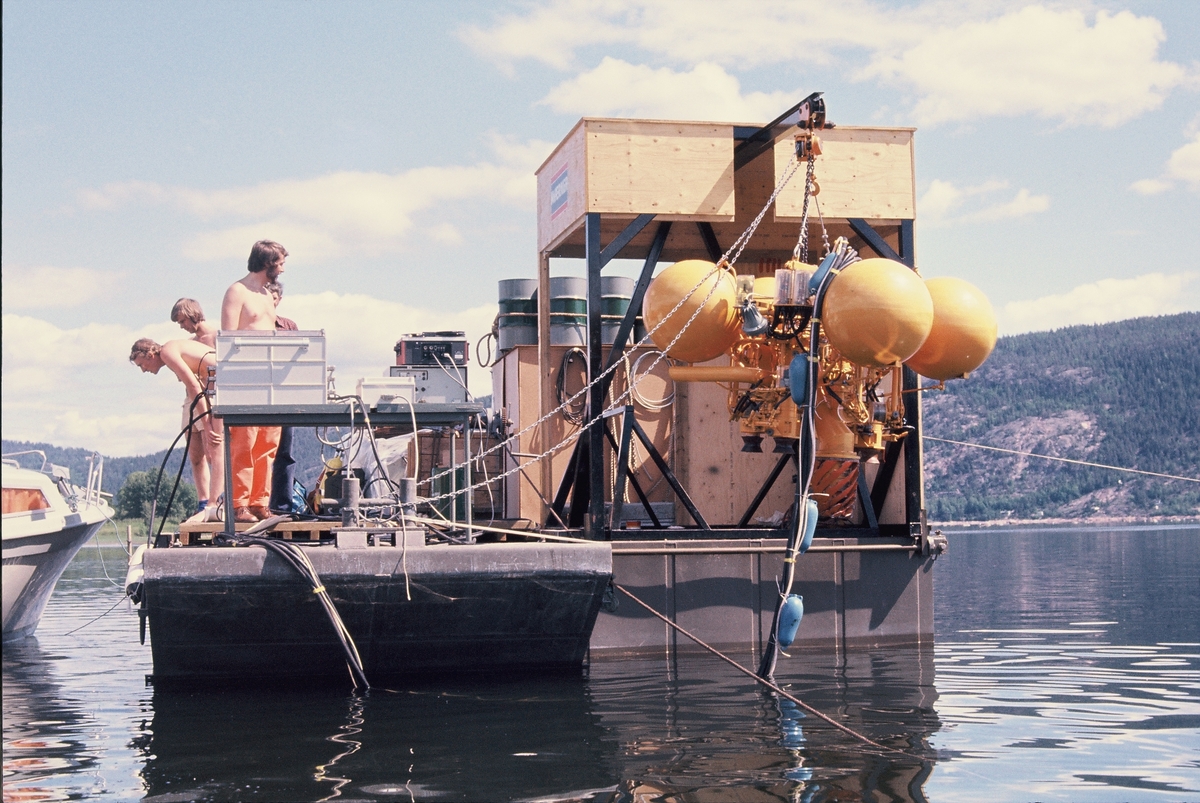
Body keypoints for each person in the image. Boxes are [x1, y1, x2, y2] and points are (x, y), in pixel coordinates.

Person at [220, 240, 287, 522]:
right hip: (245, 377)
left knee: (268, 442)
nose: (282, 269)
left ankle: (260, 501)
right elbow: (227, 337)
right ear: (267, 262)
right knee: (244, 442)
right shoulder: (238, 291)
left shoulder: (266, 295)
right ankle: (239, 503)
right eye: (280, 263)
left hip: (270, 378)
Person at [129, 338, 224, 513]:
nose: (143, 370)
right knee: (196, 453)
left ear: (150, 355)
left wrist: (207, 423)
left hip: (218, 380)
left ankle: (217, 501)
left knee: (214, 447)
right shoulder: (169, 354)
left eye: (142, 365)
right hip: (207, 383)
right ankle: (204, 503)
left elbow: (194, 386)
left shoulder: (167, 352)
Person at [267, 281, 298, 513]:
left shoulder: (289, 326)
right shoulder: (249, 325)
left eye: (274, 297)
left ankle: (282, 506)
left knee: (284, 453)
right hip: (257, 397)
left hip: (284, 395)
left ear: (279, 299)